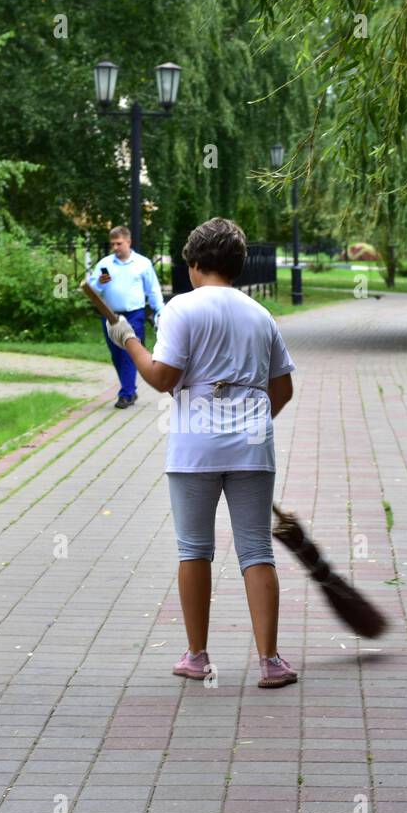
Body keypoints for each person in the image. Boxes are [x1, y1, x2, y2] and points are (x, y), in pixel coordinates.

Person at [106, 217, 299, 688]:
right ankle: (270, 661)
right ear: (236, 265)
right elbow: (284, 388)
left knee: (194, 550)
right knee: (256, 551)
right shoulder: (261, 314)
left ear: (194, 265)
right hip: (253, 446)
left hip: (194, 446)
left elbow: (163, 378)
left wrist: (128, 340)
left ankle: (197, 656)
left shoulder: (181, 309)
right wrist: (248, 424)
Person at [87, 225, 164, 408]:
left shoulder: (142, 263)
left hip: (134, 314)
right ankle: (129, 388)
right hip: (109, 314)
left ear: (128, 242)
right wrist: (99, 282)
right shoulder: (105, 264)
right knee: (116, 354)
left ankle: (126, 394)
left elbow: (153, 290)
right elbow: (92, 290)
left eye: (119, 243)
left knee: (129, 352)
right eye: (113, 244)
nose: (115, 247)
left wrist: (160, 310)